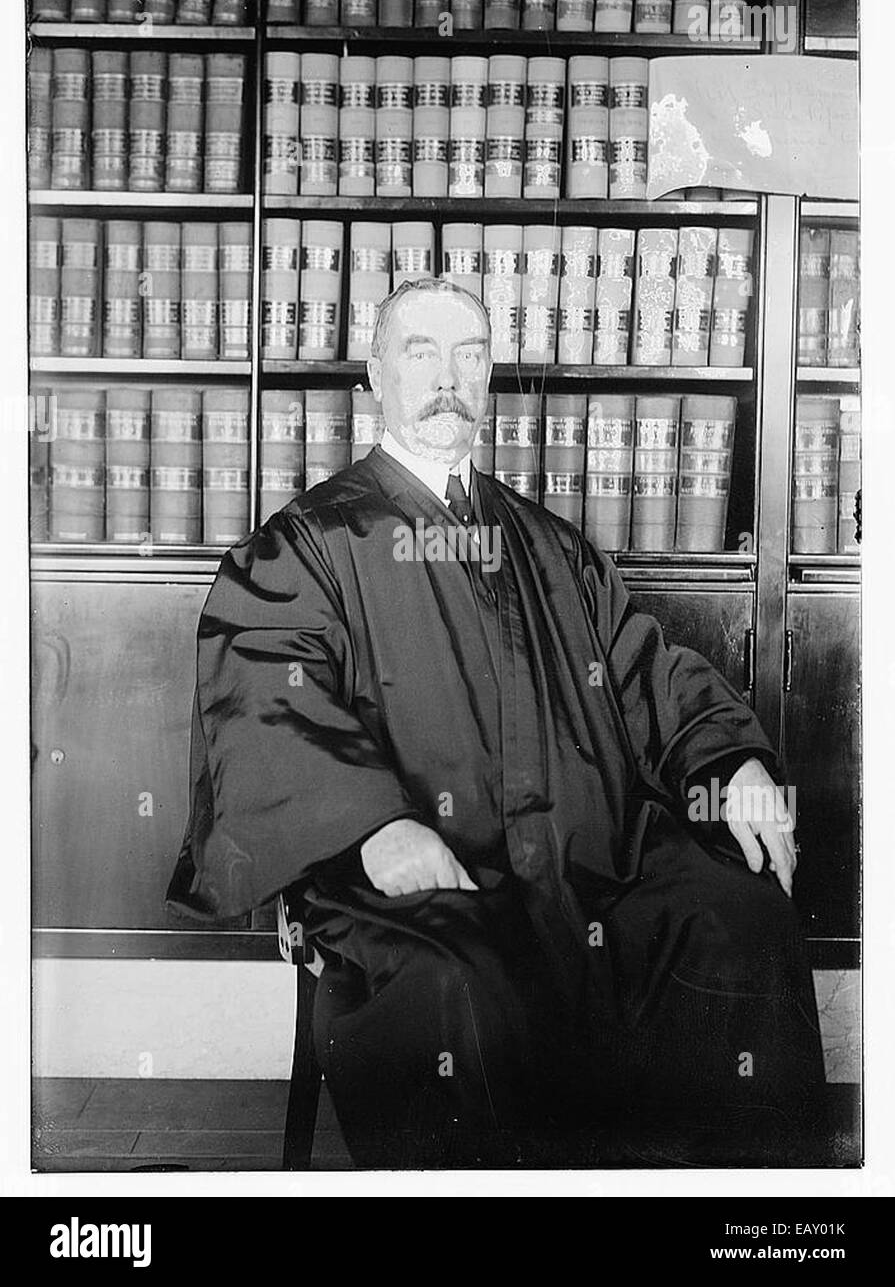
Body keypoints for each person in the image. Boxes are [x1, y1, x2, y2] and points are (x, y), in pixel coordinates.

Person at [167, 278, 825, 1170]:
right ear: (373, 377)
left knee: (738, 920)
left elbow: (645, 670)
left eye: (469, 355)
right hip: (410, 872)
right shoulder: (307, 546)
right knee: (453, 982)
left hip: (584, 860)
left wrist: (732, 758)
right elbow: (267, 702)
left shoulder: (547, 544)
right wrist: (376, 825)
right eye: (422, 352)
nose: (449, 377)